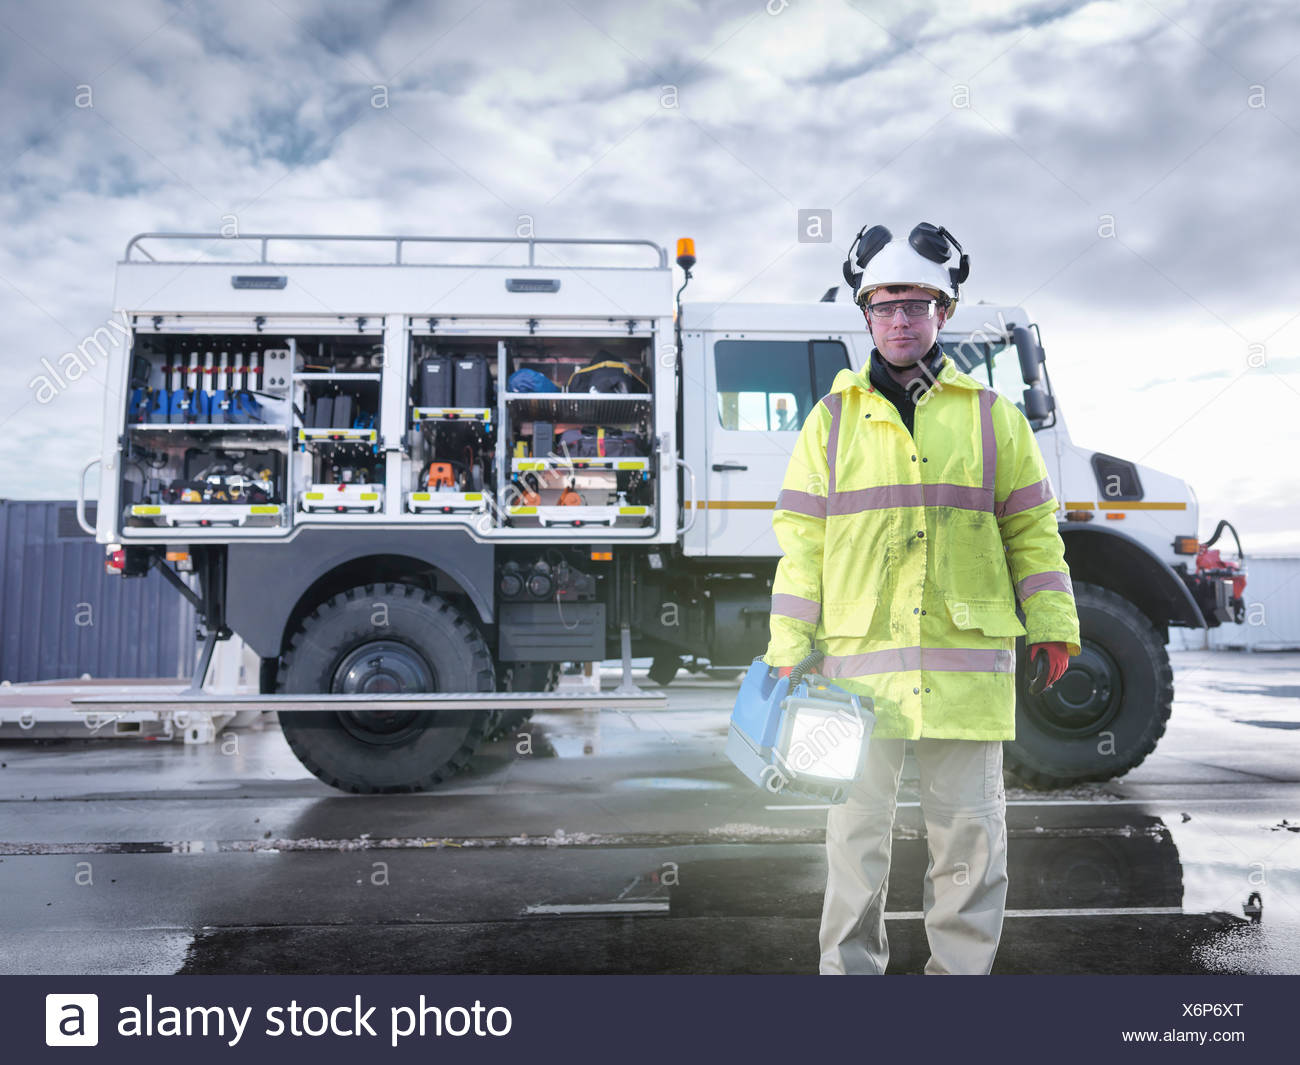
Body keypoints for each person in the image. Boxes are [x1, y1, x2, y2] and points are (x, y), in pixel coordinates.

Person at [763, 222, 1081, 975]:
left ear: (944, 311)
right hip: (852, 678)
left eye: (916, 304)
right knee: (852, 839)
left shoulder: (993, 416)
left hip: (964, 670)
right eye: (884, 306)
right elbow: (801, 544)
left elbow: (1032, 531)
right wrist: (786, 650)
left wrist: (1055, 623)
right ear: (866, 316)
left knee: (970, 842)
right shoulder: (830, 422)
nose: (900, 321)